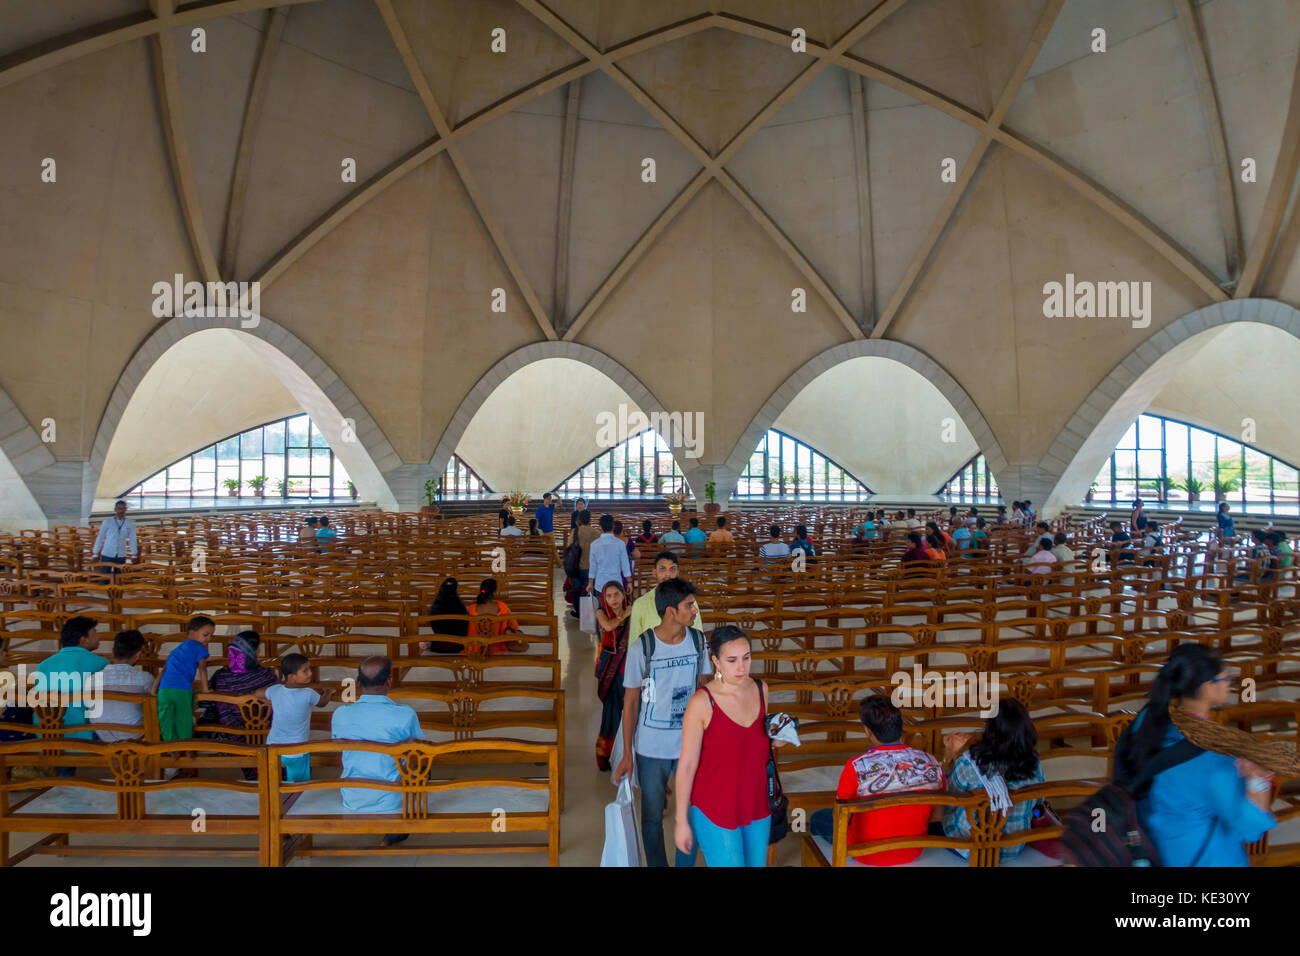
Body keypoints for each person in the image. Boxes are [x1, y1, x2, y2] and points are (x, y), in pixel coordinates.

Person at [1114, 644, 1275, 866]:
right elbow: (1250, 828)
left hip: (1149, 849)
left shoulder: (1145, 720)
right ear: (1208, 687)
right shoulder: (1213, 757)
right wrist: (1258, 780)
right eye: (1225, 677)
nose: (1230, 683)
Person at [615, 578, 710, 867]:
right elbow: (630, 703)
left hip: (688, 746)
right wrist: (627, 754)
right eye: (688, 605)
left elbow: (702, 691)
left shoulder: (697, 641)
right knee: (653, 816)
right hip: (651, 748)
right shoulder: (642, 648)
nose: (694, 610)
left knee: (692, 813)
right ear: (670, 611)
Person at [674, 626, 774, 867]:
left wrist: (776, 738)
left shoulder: (761, 690)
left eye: (746, 658)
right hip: (714, 805)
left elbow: (753, 742)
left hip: (756, 802)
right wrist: (681, 820)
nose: (741, 667)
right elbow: (687, 765)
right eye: (732, 660)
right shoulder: (702, 702)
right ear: (716, 661)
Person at [809, 695, 943, 865]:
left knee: (818, 818)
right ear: (901, 727)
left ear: (868, 731)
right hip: (913, 851)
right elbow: (936, 816)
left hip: (865, 853)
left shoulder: (855, 766)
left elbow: (840, 819)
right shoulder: (930, 760)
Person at [330, 656, 423, 845]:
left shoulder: (340, 714)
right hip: (391, 798)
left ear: (357, 683)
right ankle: (395, 831)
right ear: (389, 681)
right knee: (418, 764)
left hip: (352, 797)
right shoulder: (404, 714)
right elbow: (419, 750)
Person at [941, 698, 1045, 861]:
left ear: (989, 729)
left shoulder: (968, 765)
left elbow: (948, 801)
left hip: (970, 848)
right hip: (1014, 846)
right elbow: (1039, 800)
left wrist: (950, 756)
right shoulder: (1034, 764)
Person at [35, 616, 108, 759]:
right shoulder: (100, 664)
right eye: (95, 634)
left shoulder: (44, 665)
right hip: (84, 734)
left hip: (45, 732)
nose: (99, 638)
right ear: (83, 640)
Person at [207, 631, 278, 751]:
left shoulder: (221, 677)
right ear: (254, 652)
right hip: (266, 734)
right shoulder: (267, 676)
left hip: (231, 737)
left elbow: (211, 703)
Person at [266, 653, 332, 782]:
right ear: (291, 677)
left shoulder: (274, 690)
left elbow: (260, 693)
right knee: (298, 784)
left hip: (273, 746)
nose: (310, 673)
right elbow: (323, 703)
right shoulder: (308, 694)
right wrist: (328, 692)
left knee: (273, 780)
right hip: (297, 750)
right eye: (305, 671)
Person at [156, 615, 213, 744]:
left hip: (164, 689)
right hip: (182, 689)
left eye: (211, 636)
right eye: (206, 635)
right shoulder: (199, 648)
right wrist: (205, 689)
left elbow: (164, 670)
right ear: (192, 632)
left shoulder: (176, 650)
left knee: (166, 718)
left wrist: (155, 689)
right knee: (184, 718)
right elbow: (202, 668)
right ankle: (185, 746)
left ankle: (169, 746)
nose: (209, 639)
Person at [594, 581, 632, 771]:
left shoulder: (635, 613)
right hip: (611, 670)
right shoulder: (601, 613)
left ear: (623, 594)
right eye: (608, 596)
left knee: (632, 715)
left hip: (630, 670)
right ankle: (604, 755)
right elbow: (608, 627)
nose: (613, 599)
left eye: (616, 594)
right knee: (611, 715)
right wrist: (626, 614)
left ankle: (627, 755)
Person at [92, 629, 153, 743]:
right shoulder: (145, 679)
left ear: (112, 652)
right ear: (138, 654)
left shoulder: (92, 679)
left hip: (102, 737)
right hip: (135, 737)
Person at [628, 551, 704, 642]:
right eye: (662, 569)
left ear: (678, 573)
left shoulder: (690, 602)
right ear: (654, 573)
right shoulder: (640, 604)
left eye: (672, 569)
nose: (668, 574)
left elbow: (698, 636)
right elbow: (634, 642)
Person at [468, 578, 522, 654]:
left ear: (481, 591)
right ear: (495, 592)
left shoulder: (472, 608)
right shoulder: (502, 607)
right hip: (497, 648)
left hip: (476, 648)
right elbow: (515, 627)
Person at [422, 576, 469, 654]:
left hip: (438, 646)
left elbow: (434, 627)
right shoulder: (461, 608)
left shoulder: (434, 608)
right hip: (459, 646)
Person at [589, 513, 631, 595]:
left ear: (600, 527)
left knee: (600, 607)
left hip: (600, 584)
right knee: (616, 607)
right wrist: (629, 582)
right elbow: (625, 565)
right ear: (613, 526)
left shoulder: (594, 544)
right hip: (616, 583)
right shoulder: (620, 544)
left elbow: (593, 567)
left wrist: (590, 583)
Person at [92, 500, 137, 576]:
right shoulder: (107, 522)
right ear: (115, 509)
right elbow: (100, 537)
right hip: (107, 553)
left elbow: (133, 539)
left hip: (121, 554)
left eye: (123, 508)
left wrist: (134, 554)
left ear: (126, 510)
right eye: (119, 508)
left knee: (118, 576)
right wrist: (95, 553)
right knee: (105, 577)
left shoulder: (130, 523)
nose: (121, 511)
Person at [575, 510, 600, 602]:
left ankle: (578, 611)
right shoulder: (597, 533)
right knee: (589, 590)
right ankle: (588, 612)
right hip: (591, 567)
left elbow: (569, 547)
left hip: (577, 566)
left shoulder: (575, 532)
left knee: (577, 590)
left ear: (580, 519)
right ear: (590, 519)